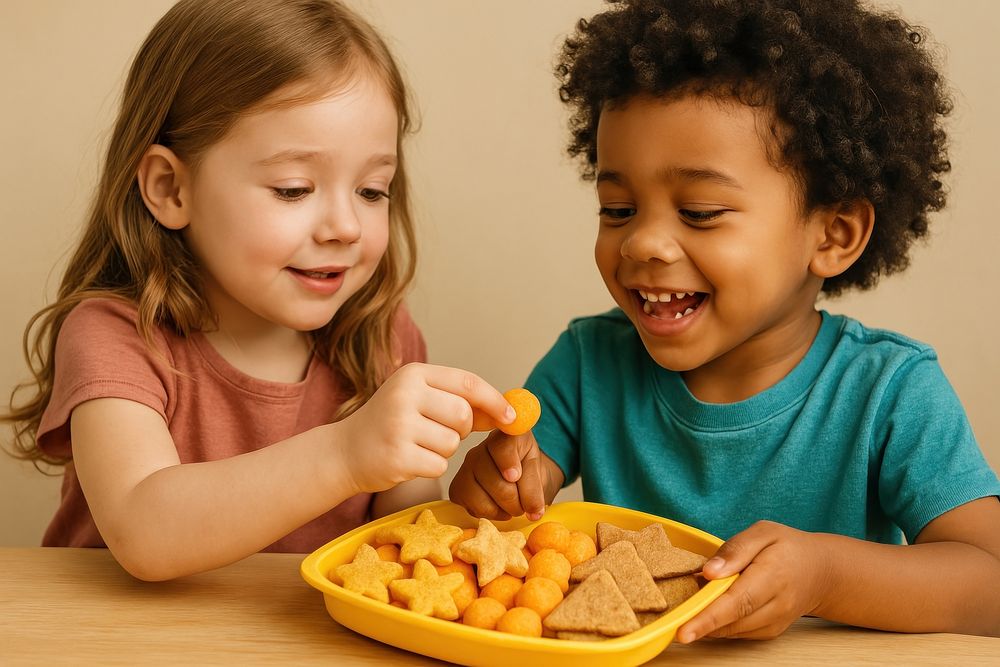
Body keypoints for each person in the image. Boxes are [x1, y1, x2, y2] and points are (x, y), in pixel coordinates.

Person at [450, 0, 1000, 641]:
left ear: (834, 233)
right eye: (619, 209)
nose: (643, 244)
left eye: (702, 211)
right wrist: (505, 480)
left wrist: (825, 576)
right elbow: (530, 478)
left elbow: (988, 585)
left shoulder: (891, 391)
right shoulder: (587, 360)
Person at [0, 0, 515, 582]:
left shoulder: (381, 336)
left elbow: (410, 539)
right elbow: (144, 532)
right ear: (171, 188)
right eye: (294, 189)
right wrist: (347, 453)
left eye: (372, 190)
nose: (345, 226)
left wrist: (478, 495)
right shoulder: (115, 336)